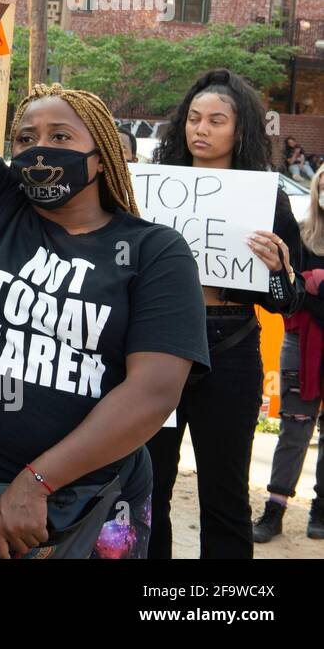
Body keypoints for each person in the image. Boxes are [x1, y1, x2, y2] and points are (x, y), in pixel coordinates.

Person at [0, 0, 208, 559]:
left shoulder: (155, 251)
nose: (38, 149)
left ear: (103, 158)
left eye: (60, 136)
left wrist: (38, 481)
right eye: (25, 138)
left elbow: (153, 392)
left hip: (84, 505)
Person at [146, 69, 302, 559]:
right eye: (194, 118)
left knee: (225, 494)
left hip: (231, 351)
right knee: (148, 489)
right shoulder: (152, 192)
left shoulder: (266, 199)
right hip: (158, 350)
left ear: (240, 131)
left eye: (216, 120)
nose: (201, 129)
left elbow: (285, 300)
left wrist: (277, 269)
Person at [253, 166, 324, 542]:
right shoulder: (301, 231)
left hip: (308, 331)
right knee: (295, 427)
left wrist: (315, 284)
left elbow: (307, 285)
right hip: (302, 342)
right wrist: (310, 287)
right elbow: (291, 289)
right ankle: (275, 510)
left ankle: (321, 509)